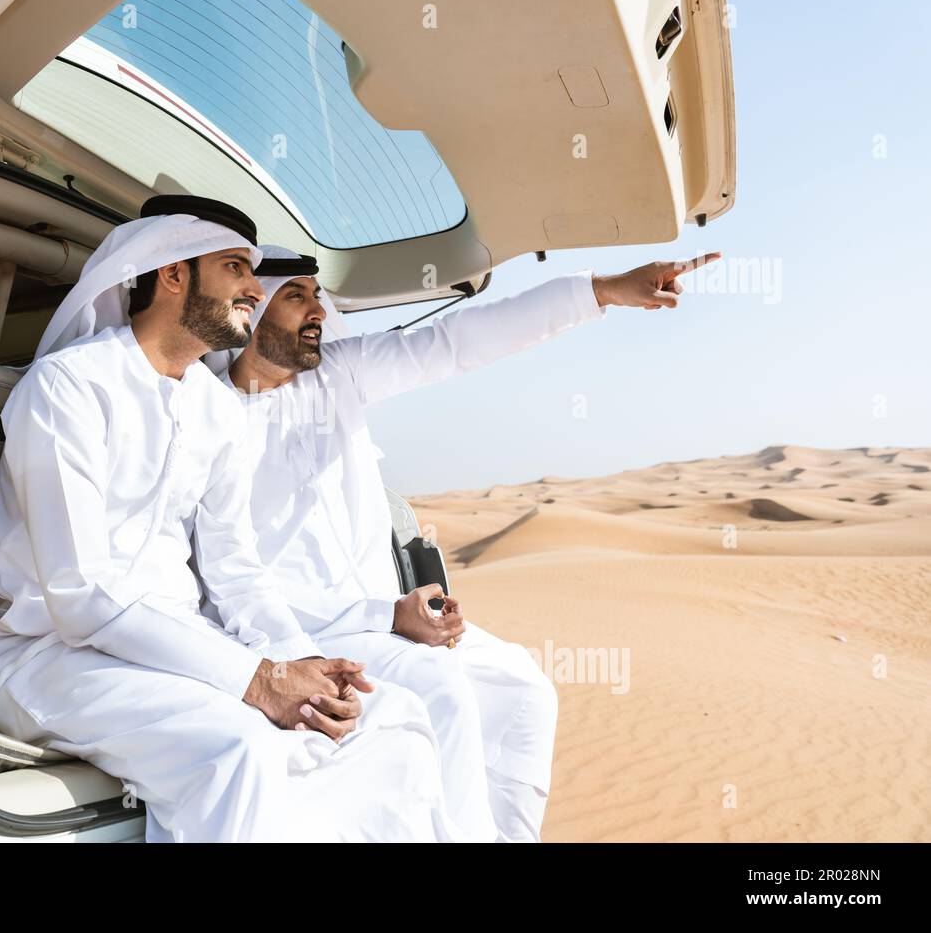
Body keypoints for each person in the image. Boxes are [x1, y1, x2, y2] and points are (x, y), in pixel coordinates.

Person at [0, 198, 467, 842]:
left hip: (180, 644)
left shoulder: (215, 408)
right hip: (49, 656)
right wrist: (258, 680)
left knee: (388, 717)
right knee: (238, 750)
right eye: (235, 267)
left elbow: (237, 572)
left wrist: (298, 663)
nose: (254, 290)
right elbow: (81, 596)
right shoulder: (68, 387)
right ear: (173, 274)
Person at [213, 245, 721, 840]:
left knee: (525, 688)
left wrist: (599, 291)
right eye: (295, 297)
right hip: (312, 632)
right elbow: (237, 577)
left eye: (317, 295)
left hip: (390, 618)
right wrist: (386, 615)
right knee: (445, 693)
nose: (316, 310)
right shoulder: (211, 414)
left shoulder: (340, 374)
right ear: (252, 313)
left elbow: (458, 342)